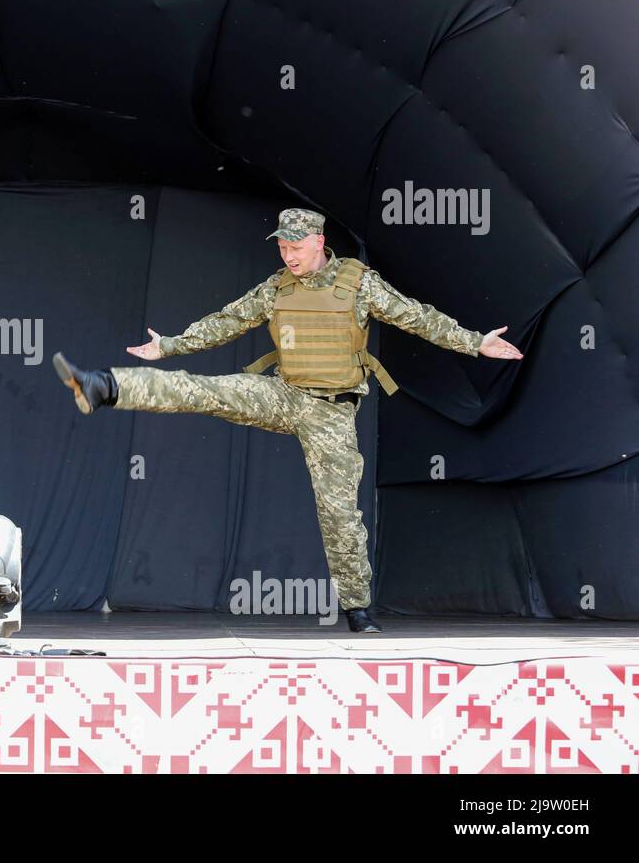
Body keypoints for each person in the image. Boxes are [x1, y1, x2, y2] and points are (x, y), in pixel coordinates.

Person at [53, 208, 523, 633]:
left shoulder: (359, 284)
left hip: (331, 412)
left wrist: (474, 342)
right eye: (282, 246)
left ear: (319, 242)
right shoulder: (276, 288)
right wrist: (171, 345)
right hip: (282, 393)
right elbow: (227, 321)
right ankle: (103, 386)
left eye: (295, 247)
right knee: (204, 390)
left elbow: (418, 318)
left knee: (338, 515)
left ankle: (358, 609)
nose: (288, 254)